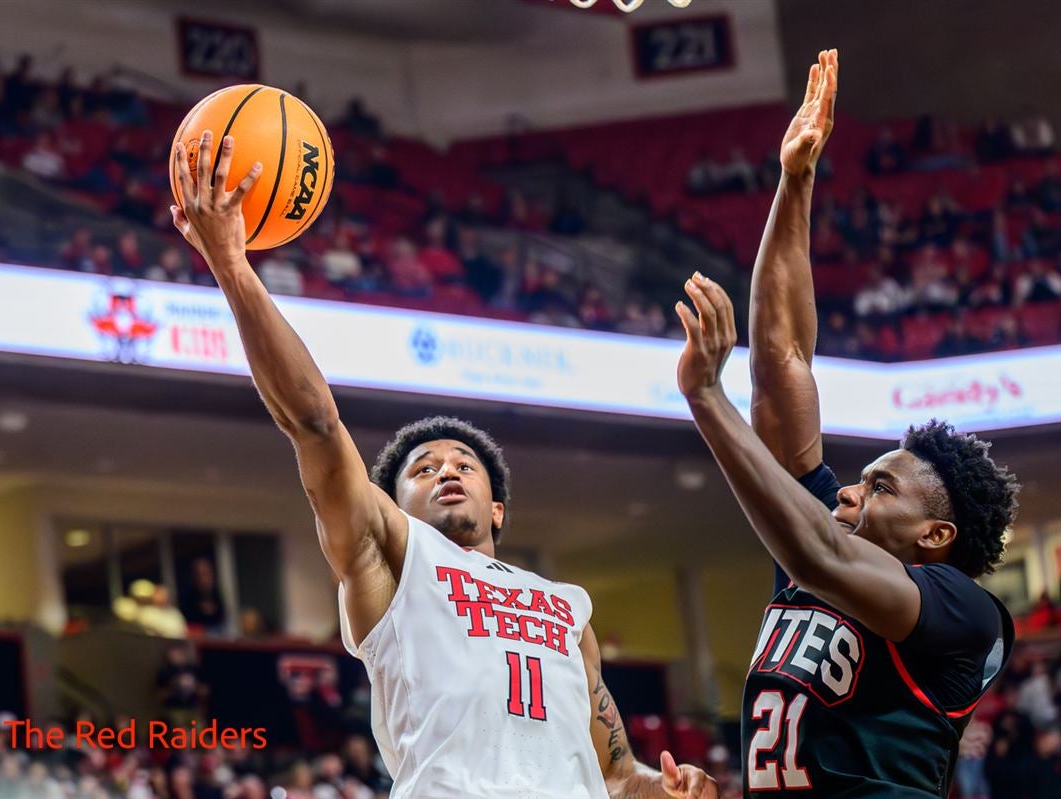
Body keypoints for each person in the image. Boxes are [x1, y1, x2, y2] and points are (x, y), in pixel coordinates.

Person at [169, 130, 715, 799]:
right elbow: (312, 423)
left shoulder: (568, 608)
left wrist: (669, 789)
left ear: (497, 508)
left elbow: (612, 772)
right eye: (422, 469)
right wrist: (232, 264)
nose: (447, 469)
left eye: (464, 463)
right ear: (393, 506)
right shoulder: (392, 554)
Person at [676, 50, 1017, 797]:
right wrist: (795, 182)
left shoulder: (961, 609)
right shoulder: (820, 548)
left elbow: (820, 550)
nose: (850, 493)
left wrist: (707, 398)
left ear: (935, 535)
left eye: (881, 486)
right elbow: (784, 359)